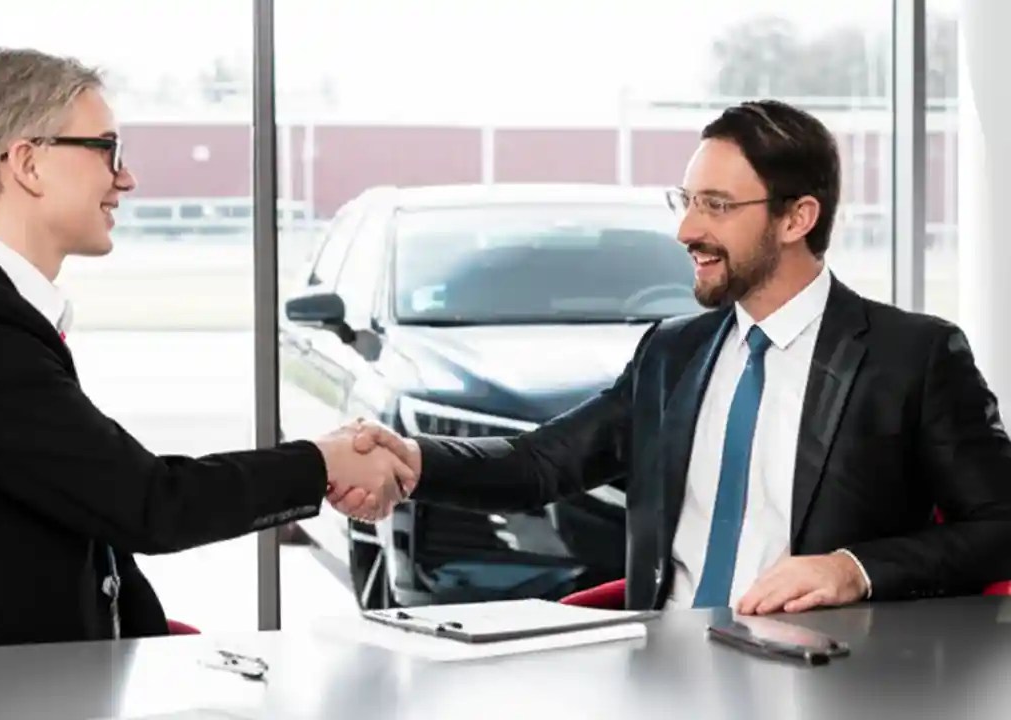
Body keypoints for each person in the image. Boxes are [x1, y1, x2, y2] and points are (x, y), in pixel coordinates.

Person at [0, 48, 411, 653]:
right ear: (28, 163)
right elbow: (148, 504)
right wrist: (322, 464)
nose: (125, 178)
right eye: (106, 150)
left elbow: (89, 511)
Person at [351, 99, 1011, 614]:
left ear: (796, 218)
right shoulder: (673, 353)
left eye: (716, 207)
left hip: (826, 675)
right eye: (687, 201)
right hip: (663, 668)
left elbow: (1000, 527)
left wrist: (852, 570)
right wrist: (414, 460)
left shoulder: (913, 357)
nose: (687, 230)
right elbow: (540, 464)